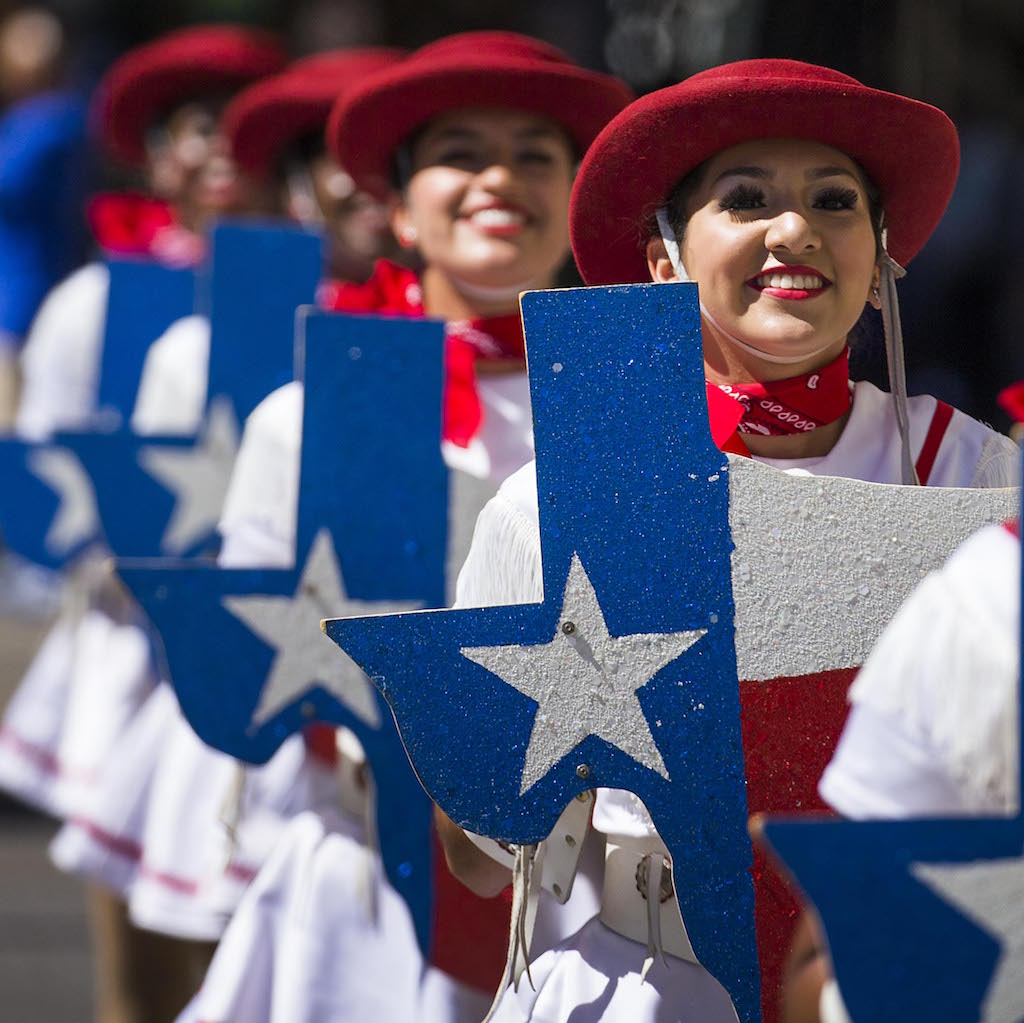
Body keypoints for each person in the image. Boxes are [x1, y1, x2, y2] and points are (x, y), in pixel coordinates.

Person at [445, 58, 1019, 1023]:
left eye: (835, 200)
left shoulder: (980, 476)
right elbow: (475, 857)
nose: (793, 229)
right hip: (639, 990)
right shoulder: (559, 496)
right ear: (664, 258)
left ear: (881, 261)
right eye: (744, 198)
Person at [172, 32, 632, 1023]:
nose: (498, 178)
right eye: (460, 152)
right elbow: (252, 669)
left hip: (582, 907)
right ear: (398, 203)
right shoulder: (306, 416)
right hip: (360, 888)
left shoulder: (635, 424)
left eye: (537, 154)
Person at [0, 26, 287, 1023]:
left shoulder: (332, 301)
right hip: (134, 660)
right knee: (145, 967)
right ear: (156, 154)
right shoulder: (94, 300)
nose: (216, 154)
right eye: (192, 130)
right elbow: (45, 494)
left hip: (285, 666)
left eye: (243, 133)